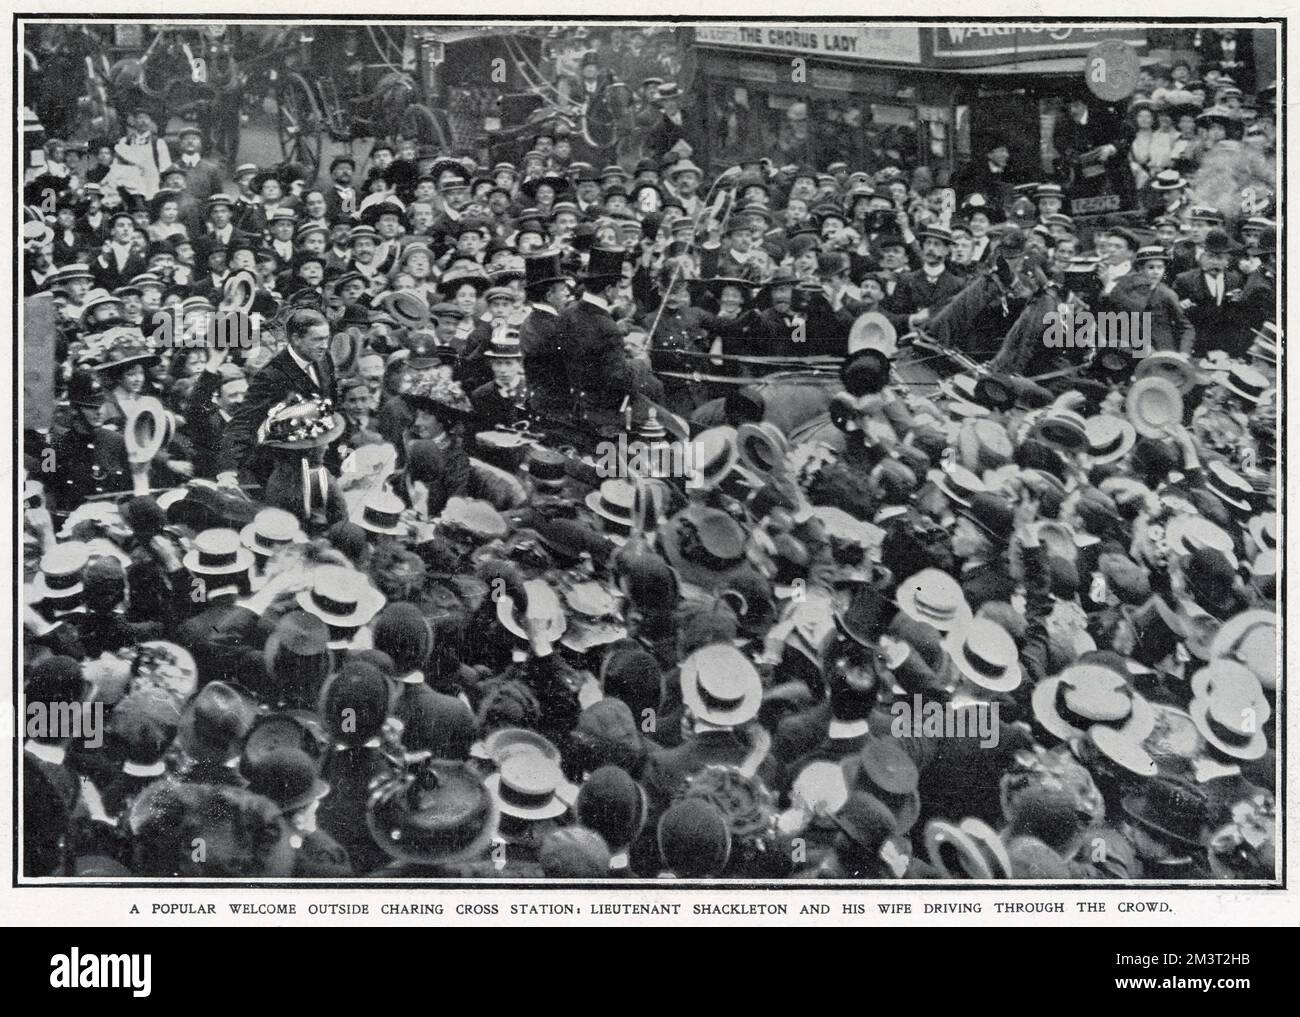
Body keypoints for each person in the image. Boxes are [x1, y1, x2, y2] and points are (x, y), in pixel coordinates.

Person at [218, 308, 337, 486]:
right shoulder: (271, 375)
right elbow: (243, 423)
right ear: (296, 339)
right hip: (285, 469)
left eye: (326, 338)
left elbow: (331, 401)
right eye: (317, 339)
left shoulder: (324, 359)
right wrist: (227, 472)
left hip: (322, 458)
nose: (324, 345)